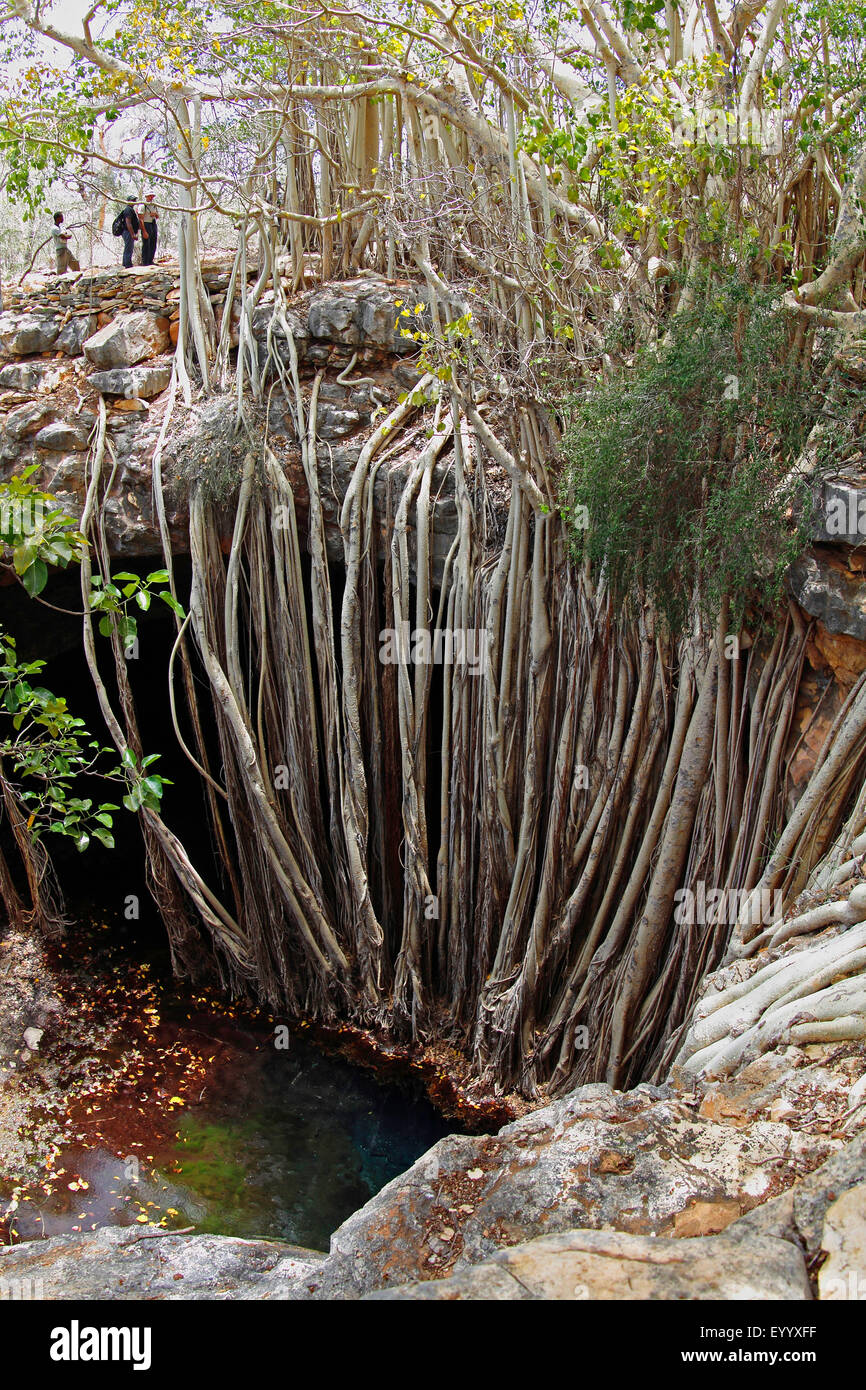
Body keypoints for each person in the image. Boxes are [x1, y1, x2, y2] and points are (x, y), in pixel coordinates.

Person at [120, 196, 140, 268]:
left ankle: (126, 264)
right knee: (128, 248)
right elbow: (128, 223)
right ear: (128, 201)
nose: (133, 202)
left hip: (129, 232)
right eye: (132, 200)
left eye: (134, 200)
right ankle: (127, 265)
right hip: (128, 232)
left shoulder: (131, 209)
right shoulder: (128, 210)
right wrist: (132, 234)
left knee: (129, 248)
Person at [140, 194, 159, 266]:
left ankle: (151, 260)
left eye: (152, 196)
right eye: (150, 196)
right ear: (146, 197)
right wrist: (144, 231)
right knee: (146, 244)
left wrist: (155, 214)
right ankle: (145, 262)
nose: (151, 198)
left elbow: (157, 216)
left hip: (153, 224)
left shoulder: (154, 205)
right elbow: (141, 219)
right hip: (146, 224)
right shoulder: (143, 206)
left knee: (153, 243)